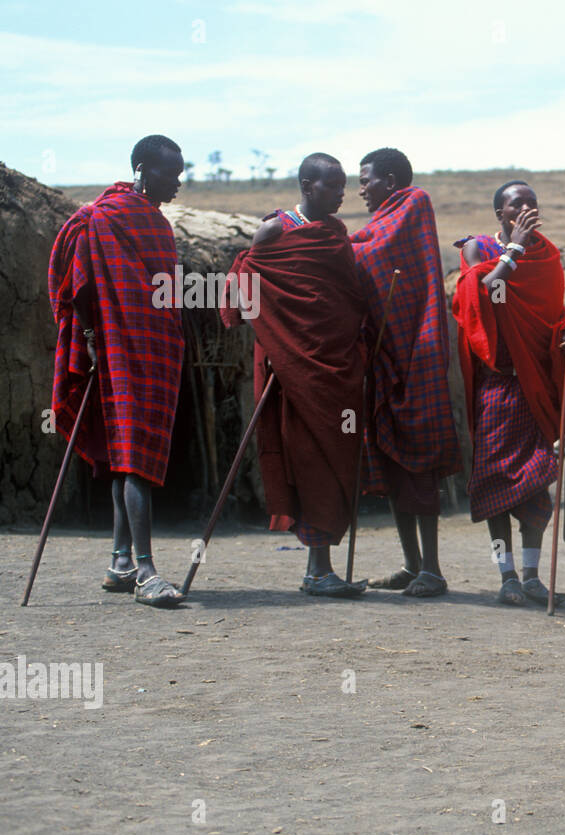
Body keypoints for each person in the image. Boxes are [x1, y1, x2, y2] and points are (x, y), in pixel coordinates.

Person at [47, 134, 187, 608]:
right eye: (171, 173)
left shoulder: (156, 224)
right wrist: (87, 338)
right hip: (115, 351)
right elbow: (76, 283)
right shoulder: (100, 218)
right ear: (143, 169)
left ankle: (120, 561)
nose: (178, 182)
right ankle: (146, 572)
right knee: (131, 460)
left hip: (154, 351)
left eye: (182, 173)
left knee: (125, 456)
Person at [221, 153, 368, 598]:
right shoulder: (274, 231)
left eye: (344, 186)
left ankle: (317, 570)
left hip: (333, 368)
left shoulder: (336, 235)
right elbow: (247, 294)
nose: (343, 194)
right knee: (307, 461)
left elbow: (345, 296)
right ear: (308, 185)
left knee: (333, 460)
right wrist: (283, 339)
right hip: (290, 368)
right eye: (334, 186)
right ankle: (318, 571)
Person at [453, 181, 565, 606]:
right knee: (495, 489)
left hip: (539, 386)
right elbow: (485, 297)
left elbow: (554, 317)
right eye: (517, 204)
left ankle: (532, 577)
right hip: (499, 384)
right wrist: (512, 250)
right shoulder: (477, 249)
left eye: (532, 201)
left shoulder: (549, 255)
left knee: (537, 486)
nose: (528, 208)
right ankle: (506, 576)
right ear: (501, 214)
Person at [349, 147, 461, 599]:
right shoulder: (377, 222)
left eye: (366, 180)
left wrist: (340, 248)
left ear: (391, 180)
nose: (360, 189)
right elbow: (365, 247)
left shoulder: (414, 204)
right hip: (384, 356)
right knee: (393, 462)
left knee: (419, 464)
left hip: (416, 352)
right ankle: (411, 563)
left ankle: (432, 569)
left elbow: (376, 255)